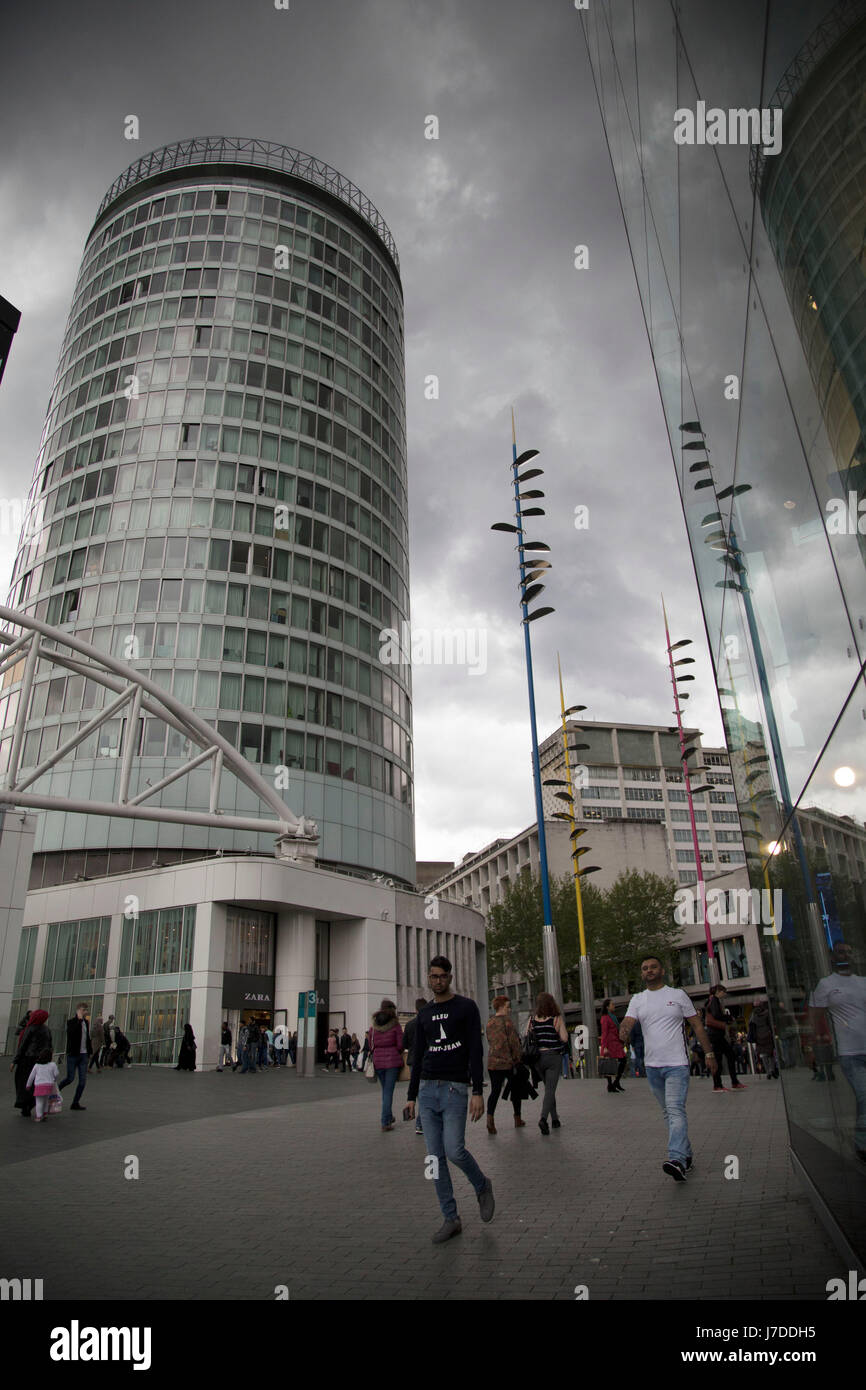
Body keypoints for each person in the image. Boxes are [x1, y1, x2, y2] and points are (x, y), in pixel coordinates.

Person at [406, 957, 494, 1243]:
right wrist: (411, 1098)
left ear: (450, 977)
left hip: (455, 1089)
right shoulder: (424, 1015)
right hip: (428, 1090)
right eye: (433, 976)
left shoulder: (466, 1008)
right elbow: (417, 1055)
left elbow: (474, 1050)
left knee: (454, 1151)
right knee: (434, 1158)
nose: (438, 981)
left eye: (442, 976)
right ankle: (450, 1217)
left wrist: (478, 1091)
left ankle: (481, 1185)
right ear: (428, 979)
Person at [620, 955, 718, 1181]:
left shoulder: (678, 995)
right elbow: (628, 1022)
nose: (649, 971)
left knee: (674, 1110)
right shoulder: (638, 999)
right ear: (642, 974)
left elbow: (696, 1025)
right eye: (645, 968)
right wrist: (623, 1031)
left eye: (653, 967)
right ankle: (687, 1155)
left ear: (662, 971)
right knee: (670, 1113)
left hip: (677, 1065)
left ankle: (676, 1159)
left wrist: (709, 1053)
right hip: (652, 1067)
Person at [809, 942, 866, 1162]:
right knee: (864, 1096)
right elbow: (815, 1016)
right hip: (850, 1053)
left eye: (850, 952)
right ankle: (862, 1145)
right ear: (833, 956)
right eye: (842, 952)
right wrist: (812, 1047)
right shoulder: (826, 984)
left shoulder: (862, 982)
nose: (846, 955)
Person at [530, 991, 569, 1134]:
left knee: (548, 1089)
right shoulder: (556, 1018)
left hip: (538, 1058)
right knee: (550, 1090)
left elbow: (528, 1036)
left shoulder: (533, 1019)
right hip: (553, 1056)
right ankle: (543, 1119)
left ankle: (555, 1119)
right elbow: (564, 1038)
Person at [485, 995, 525, 1132]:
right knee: (516, 1090)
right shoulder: (507, 1022)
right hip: (508, 1063)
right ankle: (517, 1118)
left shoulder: (489, 1023)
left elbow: (491, 1041)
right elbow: (514, 1043)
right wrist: (518, 1059)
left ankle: (490, 1119)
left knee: (494, 1091)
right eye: (508, 1007)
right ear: (501, 1007)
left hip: (493, 1063)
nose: (509, 1009)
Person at [367, 1002, 404, 1128]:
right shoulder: (395, 1025)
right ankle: (385, 1121)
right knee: (388, 1091)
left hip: (378, 1061)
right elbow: (400, 1044)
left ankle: (388, 1116)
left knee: (385, 1091)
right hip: (392, 1061)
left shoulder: (373, 1026)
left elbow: (370, 1044)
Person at [11, 1009, 52, 1118]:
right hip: (42, 1061)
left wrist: (15, 1061)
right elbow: (49, 1046)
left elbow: (22, 1046)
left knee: (24, 1083)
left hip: (27, 1060)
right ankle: (33, 1104)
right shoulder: (46, 1030)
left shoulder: (30, 1029)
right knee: (37, 1084)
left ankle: (25, 1105)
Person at [706, 985, 746, 1092]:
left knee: (726, 1056)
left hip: (715, 1034)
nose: (724, 994)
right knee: (725, 1057)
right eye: (724, 992)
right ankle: (721, 1084)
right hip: (716, 1034)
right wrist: (728, 1018)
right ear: (718, 991)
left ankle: (729, 1082)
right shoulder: (714, 1000)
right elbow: (716, 1015)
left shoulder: (711, 1000)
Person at [58, 1003, 92, 1110]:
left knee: (82, 1081)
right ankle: (55, 1090)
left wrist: (89, 1052)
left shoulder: (86, 1023)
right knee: (70, 1078)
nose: (84, 1011)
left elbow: (87, 1038)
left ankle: (75, 1102)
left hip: (83, 1054)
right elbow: (72, 1033)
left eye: (85, 1010)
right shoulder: (72, 1022)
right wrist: (79, 1019)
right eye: (83, 1009)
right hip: (73, 1054)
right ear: (78, 1010)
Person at [402, 998, 428, 1133]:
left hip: (413, 1060)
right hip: (426, 1060)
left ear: (415, 1009)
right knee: (425, 1090)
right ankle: (421, 1122)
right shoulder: (428, 1022)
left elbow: (404, 1044)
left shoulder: (410, 1024)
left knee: (417, 1089)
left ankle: (420, 1122)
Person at [599, 998, 627, 1094]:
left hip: (616, 1043)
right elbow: (604, 1033)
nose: (613, 1006)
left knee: (622, 1061)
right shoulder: (605, 1018)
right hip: (610, 1044)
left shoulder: (613, 1017)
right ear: (607, 1007)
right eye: (612, 1004)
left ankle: (616, 1082)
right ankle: (611, 1084)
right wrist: (604, 1047)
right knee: (609, 1064)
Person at [26, 1047, 60, 1123]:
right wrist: (54, 1079)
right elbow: (56, 1074)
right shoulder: (53, 1065)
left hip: (39, 1086)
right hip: (49, 1085)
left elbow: (31, 1076)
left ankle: (39, 1116)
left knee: (39, 1102)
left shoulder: (37, 1065)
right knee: (46, 1100)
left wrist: (28, 1085)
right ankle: (45, 1114)